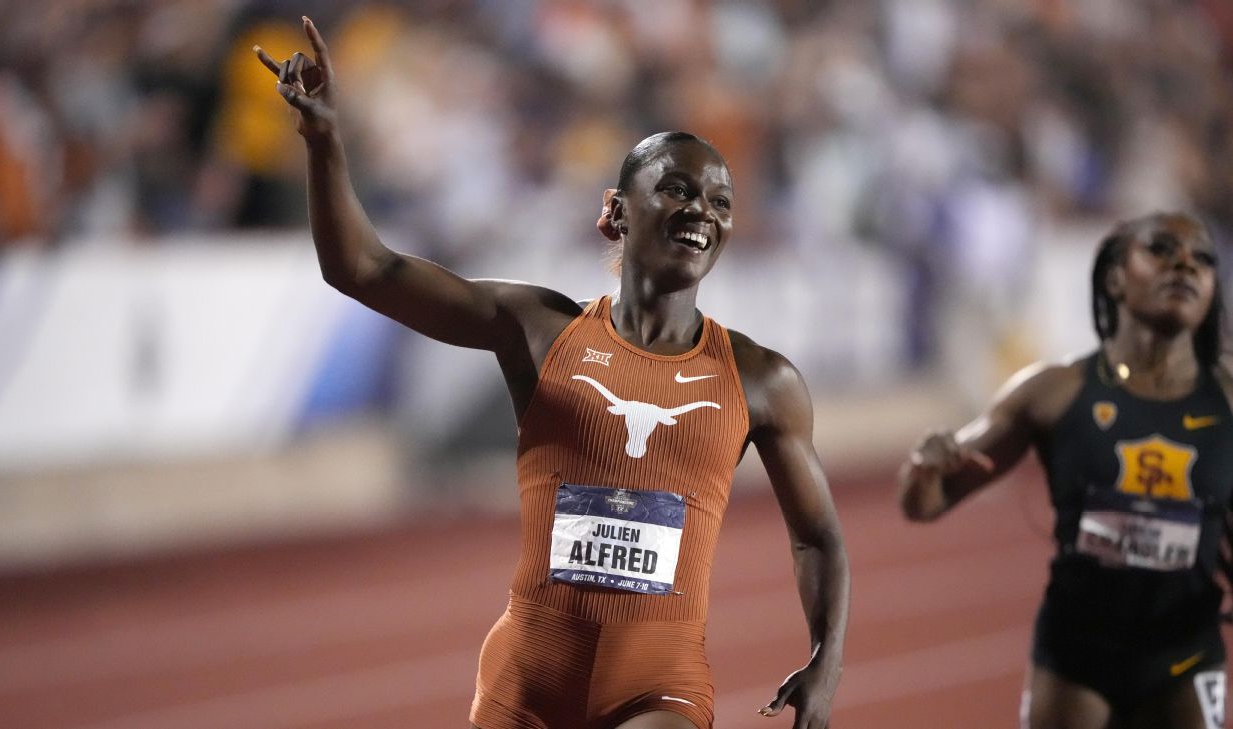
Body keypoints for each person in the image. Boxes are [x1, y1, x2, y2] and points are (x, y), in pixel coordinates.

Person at [254, 17, 848, 729]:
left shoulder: (761, 380)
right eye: (679, 190)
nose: (702, 212)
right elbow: (364, 269)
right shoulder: (540, 332)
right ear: (615, 214)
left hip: (659, 683)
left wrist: (826, 656)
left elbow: (817, 534)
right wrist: (322, 143)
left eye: (720, 202)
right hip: (526, 677)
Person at [898, 211, 1232, 729]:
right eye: (1162, 250)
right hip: (1077, 660)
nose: (1185, 265)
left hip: (1186, 654)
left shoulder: (1228, 400)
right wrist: (925, 467)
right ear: (1115, 277)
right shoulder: (1053, 392)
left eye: (1203, 259)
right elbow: (924, 503)